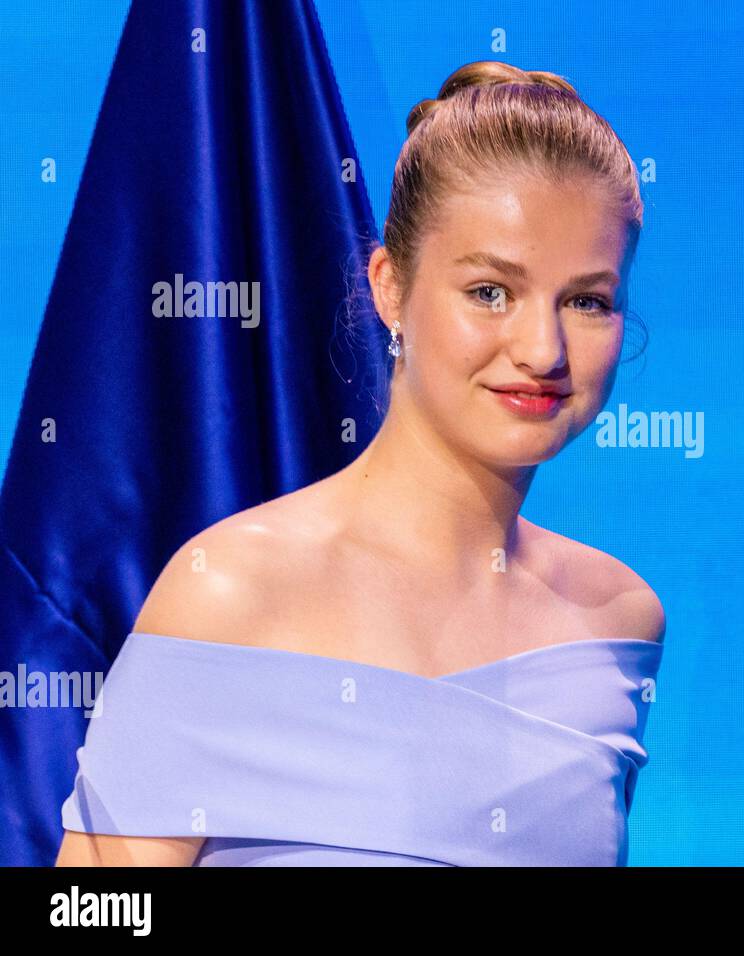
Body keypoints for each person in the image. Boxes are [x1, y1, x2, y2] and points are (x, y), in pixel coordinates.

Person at [55, 60, 666, 866]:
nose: (542, 350)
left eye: (587, 301)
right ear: (389, 286)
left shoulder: (617, 621)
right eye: (490, 291)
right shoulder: (232, 591)